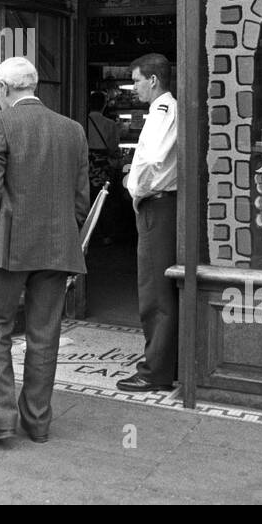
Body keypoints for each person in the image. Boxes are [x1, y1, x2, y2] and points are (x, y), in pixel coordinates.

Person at [0, 56, 90, 443]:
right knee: (45, 333)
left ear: (5, 89)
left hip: (9, 247)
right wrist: (64, 232)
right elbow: (80, 200)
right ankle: (38, 422)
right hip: (57, 247)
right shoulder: (72, 130)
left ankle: (2, 419)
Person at [117, 53, 179, 393]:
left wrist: (135, 187)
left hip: (156, 205)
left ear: (153, 80)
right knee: (161, 287)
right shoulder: (167, 109)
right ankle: (165, 363)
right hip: (162, 205)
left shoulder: (162, 110)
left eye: (137, 80)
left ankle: (154, 370)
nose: (135, 87)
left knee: (155, 291)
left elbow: (154, 157)